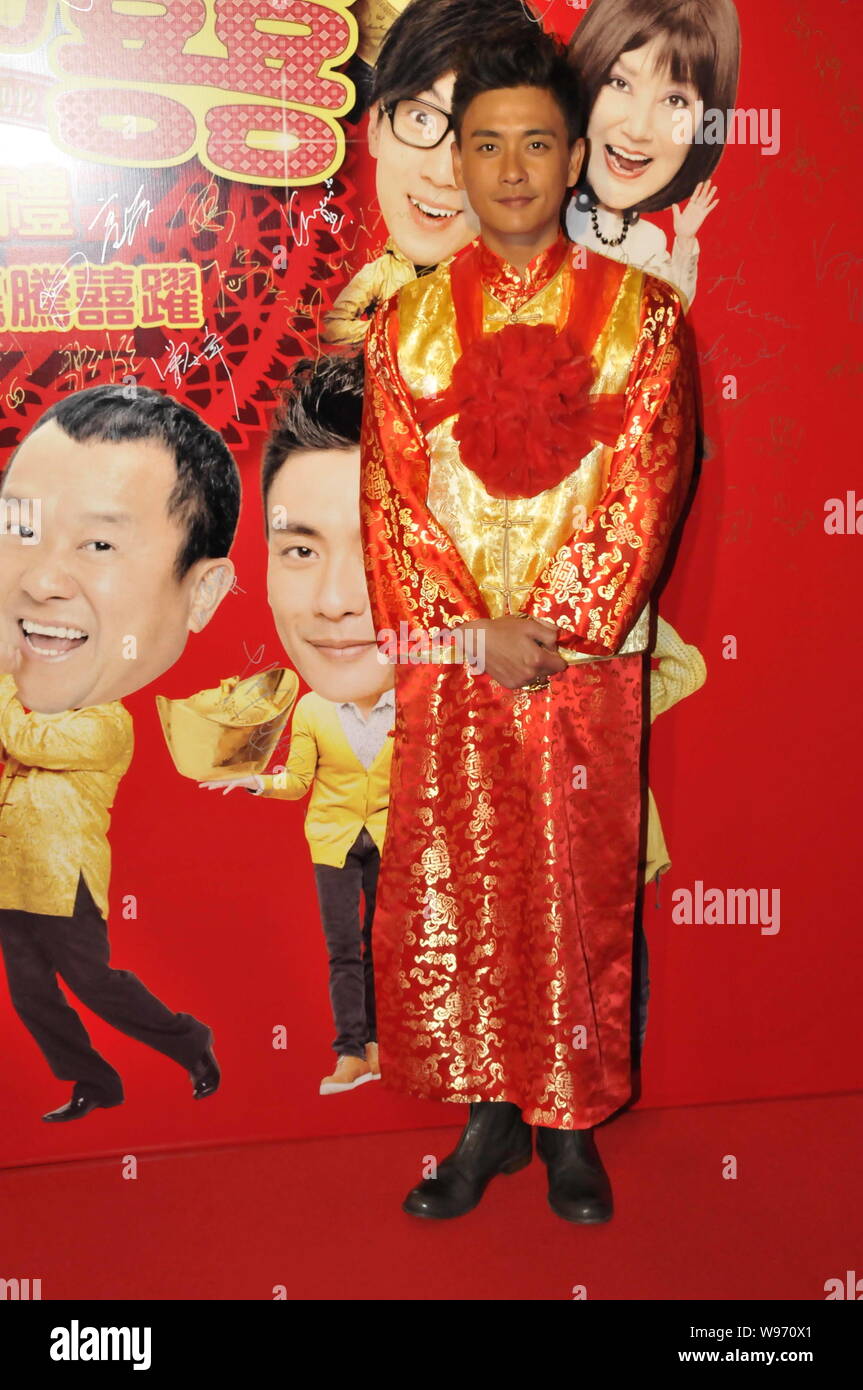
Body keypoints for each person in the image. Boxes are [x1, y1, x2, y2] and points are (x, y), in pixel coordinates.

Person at [361, 31, 698, 1222]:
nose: (509, 168)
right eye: (485, 143)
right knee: (458, 882)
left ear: (570, 162)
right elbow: (392, 508)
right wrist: (468, 638)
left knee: (573, 886)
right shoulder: (404, 328)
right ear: (454, 160)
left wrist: (551, 630)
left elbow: (644, 487)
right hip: (455, 670)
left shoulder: (642, 319)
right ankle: (483, 1122)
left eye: (535, 143)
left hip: (580, 666)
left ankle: (567, 1124)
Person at [0, 384, 240, 1120]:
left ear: (202, 594)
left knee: (93, 978)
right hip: (11, 873)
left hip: (64, 877)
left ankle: (184, 1037)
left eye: (99, 544)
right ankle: (93, 1081)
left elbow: (25, 736)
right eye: (18, 529)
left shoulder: (106, 721)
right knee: (29, 989)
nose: (40, 580)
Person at [200, 355, 394, 1097]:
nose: (336, 600)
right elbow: (299, 779)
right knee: (346, 951)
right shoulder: (309, 710)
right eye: (301, 551)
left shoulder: (456, 709)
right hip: (335, 843)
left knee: (396, 946)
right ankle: (355, 1050)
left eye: (376, 550)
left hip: (401, 850)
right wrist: (255, 782)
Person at [323, 0, 540, 344]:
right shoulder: (380, 272)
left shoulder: (527, 298)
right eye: (422, 118)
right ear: (377, 125)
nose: (443, 174)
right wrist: (395, 342)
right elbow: (335, 326)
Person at [565, 0, 741, 308]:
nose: (638, 129)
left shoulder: (649, 243)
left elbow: (675, 308)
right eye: (619, 83)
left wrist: (685, 240)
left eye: (674, 100)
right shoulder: (540, 213)